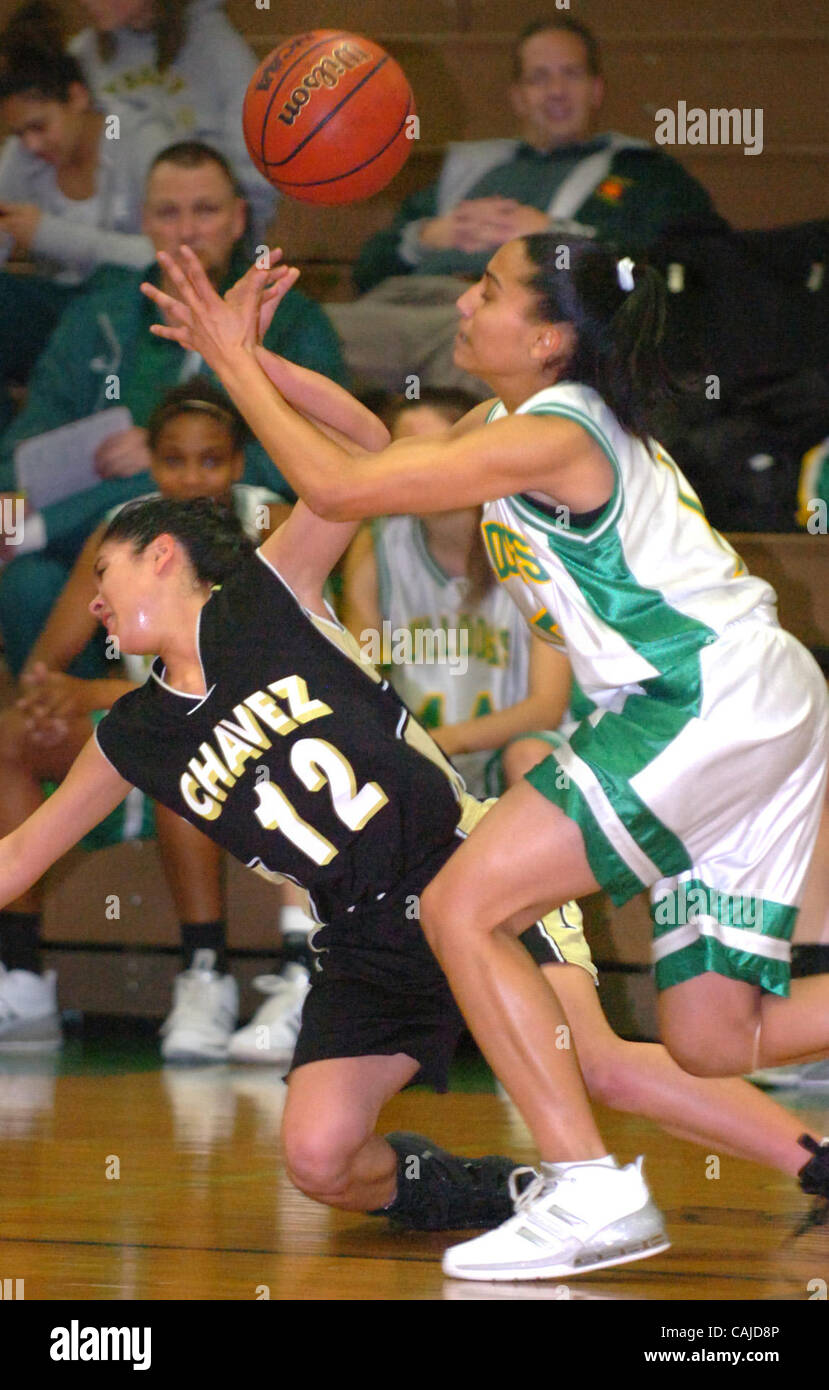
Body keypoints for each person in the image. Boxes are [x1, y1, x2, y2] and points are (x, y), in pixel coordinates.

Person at [142, 233, 829, 1281]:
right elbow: (365, 462)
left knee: (464, 905)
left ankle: (587, 1185)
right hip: (741, 702)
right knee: (711, 1038)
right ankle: (588, 1181)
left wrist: (233, 362)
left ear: (550, 337)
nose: (464, 303)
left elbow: (337, 485)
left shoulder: (557, 433)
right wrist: (250, 355)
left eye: (490, 290)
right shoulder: (508, 422)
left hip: (701, 694)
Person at [0, 379, 288, 1059]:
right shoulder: (123, 531)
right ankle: (19, 973)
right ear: (151, 463)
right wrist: (49, 699)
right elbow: (47, 664)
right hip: (137, 726)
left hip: (246, 732)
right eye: (174, 461)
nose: (191, 479)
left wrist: (95, 695)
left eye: (210, 461)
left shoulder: (269, 525)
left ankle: (205, 974)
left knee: (179, 746)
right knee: (11, 736)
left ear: (239, 463)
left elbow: (240, 679)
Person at [0, 139, 346, 679]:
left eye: (205, 211)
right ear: (146, 223)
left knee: (191, 499)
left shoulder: (291, 320)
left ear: (238, 220)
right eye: (168, 212)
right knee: (27, 580)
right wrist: (10, 502)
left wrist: (172, 460)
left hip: (232, 533)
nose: (187, 230)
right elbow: (29, 436)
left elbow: (322, 457)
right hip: (93, 538)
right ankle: (60, 734)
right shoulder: (99, 316)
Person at [326, 16, 717, 398]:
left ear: (597, 90)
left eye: (571, 74)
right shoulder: (466, 170)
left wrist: (556, 235)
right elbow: (368, 271)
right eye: (539, 77)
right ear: (517, 96)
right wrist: (428, 235)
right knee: (296, 331)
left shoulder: (643, 173)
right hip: (401, 303)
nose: (556, 90)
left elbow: (690, 264)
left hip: (498, 323)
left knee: (478, 355)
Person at [341, 388, 571, 799]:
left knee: (530, 758)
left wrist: (444, 742)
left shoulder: (531, 543)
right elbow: (361, 674)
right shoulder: (377, 544)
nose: (418, 468)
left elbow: (547, 706)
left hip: (514, 748)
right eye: (404, 453)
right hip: (424, 756)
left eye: (434, 451)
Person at [0, 0, 171, 428]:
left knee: (112, 289)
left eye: (40, 126)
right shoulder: (19, 161)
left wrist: (50, 235)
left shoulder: (140, 139)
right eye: (20, 133)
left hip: (138, 316)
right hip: (59, 320)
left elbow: (166, 254)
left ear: (77, 97)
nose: (32, 145)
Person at [69, 0, 277, 247]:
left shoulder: (217, 48)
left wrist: (241, 243)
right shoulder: (84, 56)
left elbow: (256, 164)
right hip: (116, 252)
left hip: (206, 248)